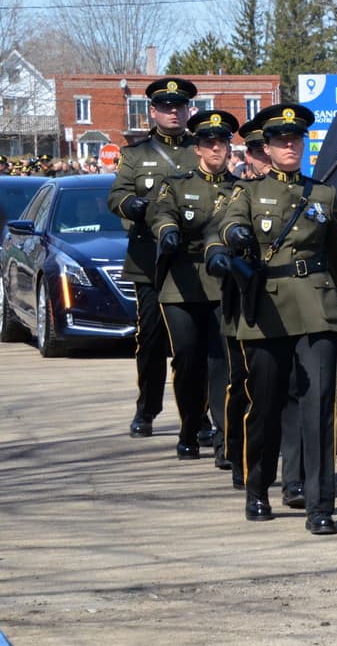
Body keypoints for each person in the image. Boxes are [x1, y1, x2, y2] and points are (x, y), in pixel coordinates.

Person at [218, 104, 337, 535]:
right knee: (266, 404)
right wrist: (237, 235)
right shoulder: (248, 193)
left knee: (319, 407)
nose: (290, 146)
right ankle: (258, 488)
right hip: (269, 309)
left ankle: (320, 506)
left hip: (318, 307)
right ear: (267, 147)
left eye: (296, 139)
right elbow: (227, 226)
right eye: (282, 140)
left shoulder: (322, 195)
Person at [107, 77, 201, 439]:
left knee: (193, 345)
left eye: (179, 106)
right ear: (153, 111)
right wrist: (131, 205)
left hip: (192, 260)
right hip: (149, 260)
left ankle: (198, 416)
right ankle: (146, 409)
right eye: (166, 107)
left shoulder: (200, 150)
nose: (173, 112)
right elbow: (117, 196)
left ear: (189, 110)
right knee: (150, 339)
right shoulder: (136, 154)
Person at [148, 110, 240, 461]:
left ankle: (224, 439)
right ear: (197, 148)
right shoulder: (177, 185)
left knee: (222, 362)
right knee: (188, 359)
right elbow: (161, 213)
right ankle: (190, 427)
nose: (216, 149)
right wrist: (168, 232)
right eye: (208, 143)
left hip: (223, 283)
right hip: (182, 283)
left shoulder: (240, 190)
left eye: (222, 143)